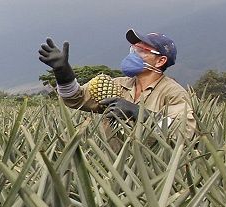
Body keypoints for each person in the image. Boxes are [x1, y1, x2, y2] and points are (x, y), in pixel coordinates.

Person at [38, 29, 196, 137]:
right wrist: (63, 72)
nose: (134, 54)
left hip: (150, 171)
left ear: (160, 60)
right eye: (133, 49)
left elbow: (185, 131)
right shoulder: (117, 84)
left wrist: (139, 112)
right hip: (110, 168)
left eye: (142, 51)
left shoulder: (173, 93)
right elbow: (75, 98)